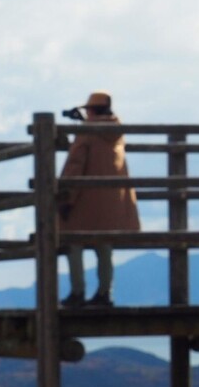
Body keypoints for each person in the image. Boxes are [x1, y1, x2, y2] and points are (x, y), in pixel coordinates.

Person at [58, 91, 140, 306]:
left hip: (85, 199)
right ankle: (105, 292)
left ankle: (77, 292)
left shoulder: (86, 132)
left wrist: (67, 197)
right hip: (112, 202)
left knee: (73, 241)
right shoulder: (117, 132)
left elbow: (75, 166)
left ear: (92, 111)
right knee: (104, 245)